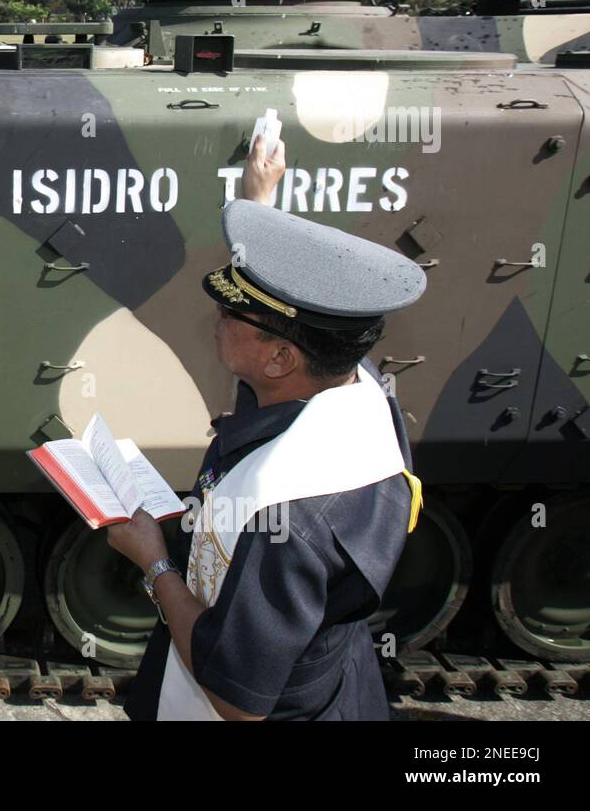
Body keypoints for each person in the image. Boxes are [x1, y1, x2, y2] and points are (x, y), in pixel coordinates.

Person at [110, 135, 426, 721]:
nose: (217, 317)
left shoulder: (288, 514)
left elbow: (236, 699)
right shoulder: (352, 379)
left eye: (232, 314)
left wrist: (155, 564)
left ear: (280, 359)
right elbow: (314, 302)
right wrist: (259, 203)